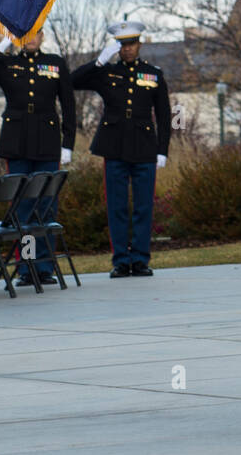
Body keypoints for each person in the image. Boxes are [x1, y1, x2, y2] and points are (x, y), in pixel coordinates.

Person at [0, 28, 75, 285]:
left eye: (34, 34)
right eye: (24, 35)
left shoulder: (55, 64)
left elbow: (69, 105)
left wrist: (67, 143)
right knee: (22, 209)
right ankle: (26, 268)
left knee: (46, 206)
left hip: (48, 143)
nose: (30, 39)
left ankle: (45, 267)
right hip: (17, 143)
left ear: (43, 36)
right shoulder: (7, 62)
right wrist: (2, 46)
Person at [71, 22, 170, 277]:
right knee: (116, 206)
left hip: (145, 147)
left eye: (131, 44)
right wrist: (99, 61)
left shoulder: (153, 74)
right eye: (122, 45)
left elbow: (164, 115)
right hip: (114, 146)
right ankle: (120, 261)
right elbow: (73, 81)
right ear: (117, 47)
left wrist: (163, 150)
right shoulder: (106, 72)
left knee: (143, 206)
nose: (127, 49)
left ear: (139, 44)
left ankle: (140, 260)